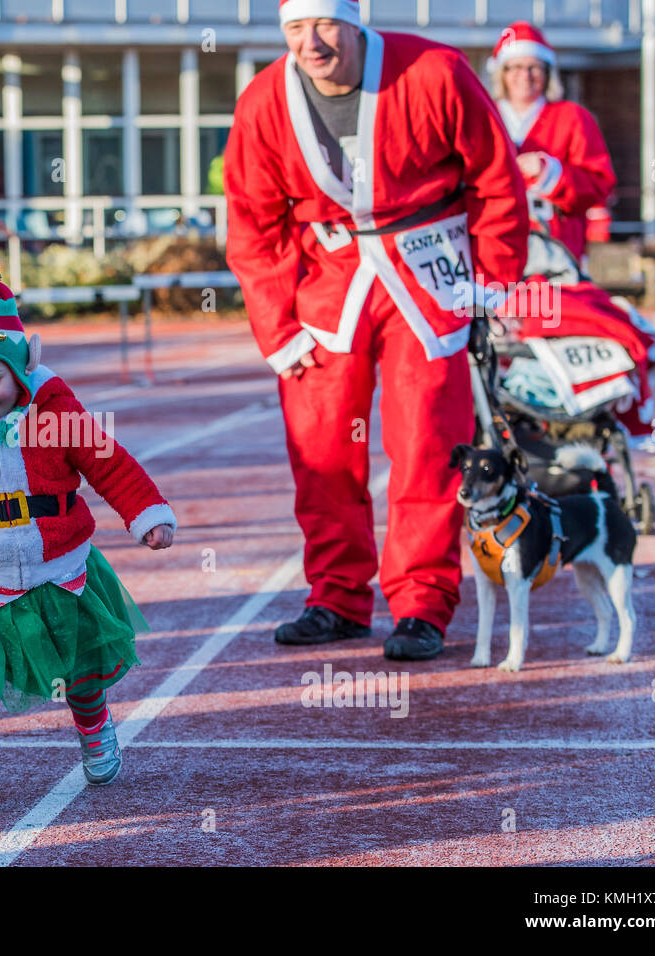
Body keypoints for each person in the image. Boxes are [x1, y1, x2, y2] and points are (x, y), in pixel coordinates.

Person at [223, 0, 528, 660]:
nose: (312, 42)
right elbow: (251, 223)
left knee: (426, 444)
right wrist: (276, 325)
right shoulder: (263, 102)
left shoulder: (436, 72)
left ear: (357, 23)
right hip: (326, 283)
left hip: (429, 273)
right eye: (296, 28)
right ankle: (336, 597)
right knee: (322, 449)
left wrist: (493, 275)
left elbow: (496, 177)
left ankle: (422, 603)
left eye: (325, 24)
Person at [0, 250, 176, 812]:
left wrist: (145, 513)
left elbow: (107, 461)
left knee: (79, 666)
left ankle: (95, 732)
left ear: (21, 365)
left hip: (59, 563)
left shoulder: (53, 411)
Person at [490, 22, 615, 264]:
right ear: (501, 72)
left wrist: (552, 174)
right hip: (495, 249)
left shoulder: (573, 117)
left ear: (548, 73)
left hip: (558, 251)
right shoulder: (484, 117)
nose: (524, 76)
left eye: (533, 67)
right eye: (515, 67)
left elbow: (599, 186)